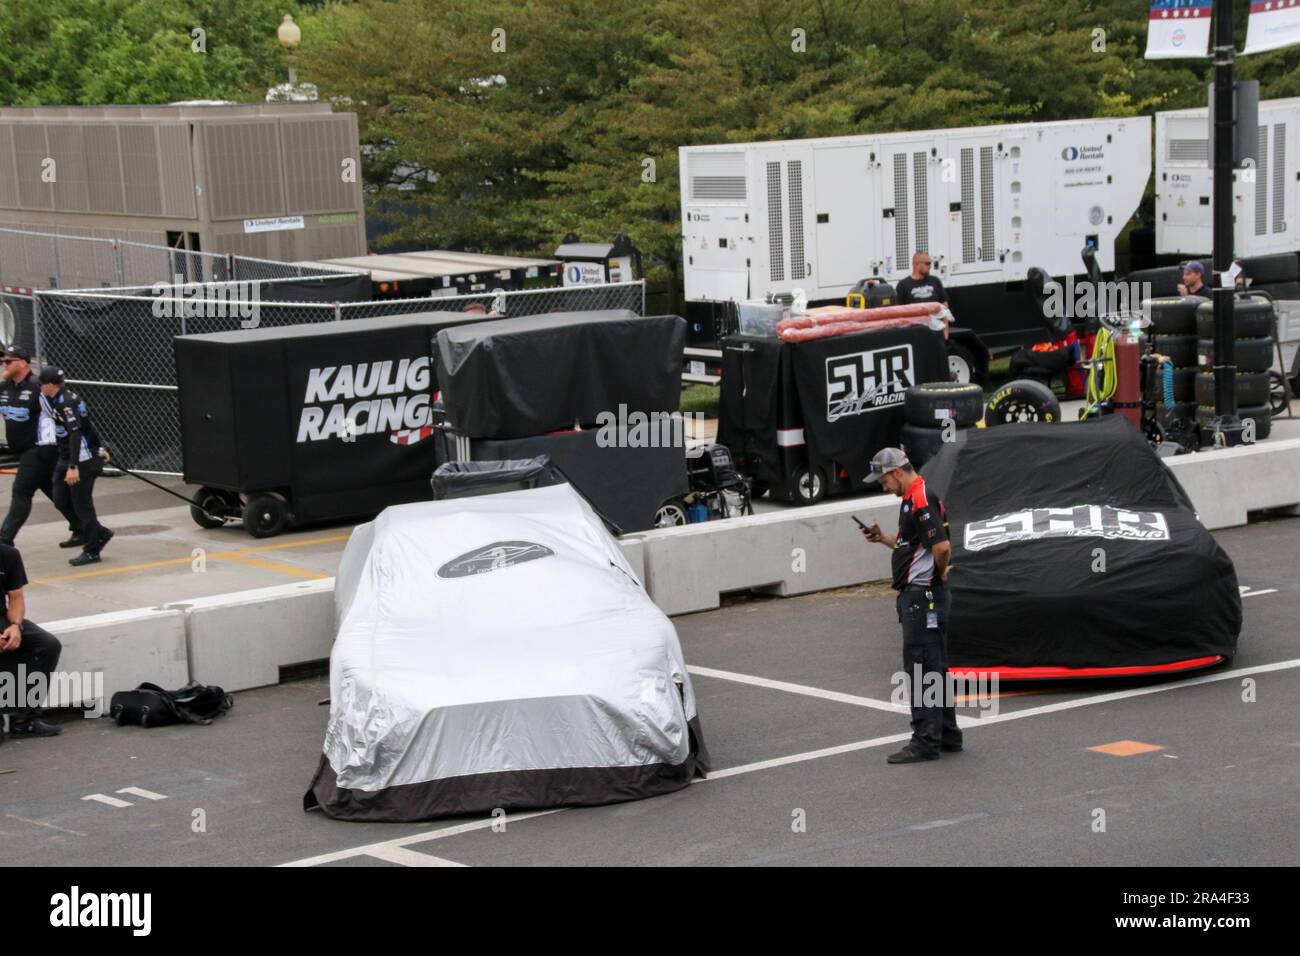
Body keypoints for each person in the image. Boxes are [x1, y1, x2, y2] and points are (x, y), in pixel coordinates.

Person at [859, 447, 962, 764]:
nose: (883, 486)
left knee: (921, 670)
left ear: (897, 472)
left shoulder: (919, 497)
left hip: (923, 598)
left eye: (884, 480)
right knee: (935, 668)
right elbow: (912, 546)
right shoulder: (913, 497)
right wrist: (884, 538)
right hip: (924, 598)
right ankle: (946, 734)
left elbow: (941, 546)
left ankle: (925, 741)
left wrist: (941, 571)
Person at [0, 346, 83, 548]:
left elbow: (68, 413)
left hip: (40, 449)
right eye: (4, 361)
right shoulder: (4, 388)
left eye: (8, 361)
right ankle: (84, 528)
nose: (4, 364)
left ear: (23, 363)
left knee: (22, 491)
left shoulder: (39, 388)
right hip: (22, 451)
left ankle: (4, 541)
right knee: (56, 494)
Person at [39, 367, 112, 567]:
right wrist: (100, 446)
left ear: (50, 385)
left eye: (42, 384)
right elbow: (88, 424)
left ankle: (92, 550)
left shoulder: (66, 402)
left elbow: (76, 433)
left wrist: (74, 466)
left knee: (82, 505)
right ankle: (99, 532)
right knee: (60, 498)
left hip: (81, 459)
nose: (40, 387)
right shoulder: (56, 399)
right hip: (66, 456)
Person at [0, 540, 62, 742]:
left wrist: (15, 626)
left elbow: (16, 598)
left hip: (3, 620)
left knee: (47, 644)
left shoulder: (8, 555)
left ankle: (25, 719)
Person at [894, 251, 950, 338]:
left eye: (930, 263)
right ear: (916, 264)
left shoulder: (935, 280)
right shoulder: (903, 285)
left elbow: (944, 306)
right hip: (915, 333)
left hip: (936, 332)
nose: (930, 266)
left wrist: (945, 330)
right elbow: (899, 312)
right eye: (927, 263)